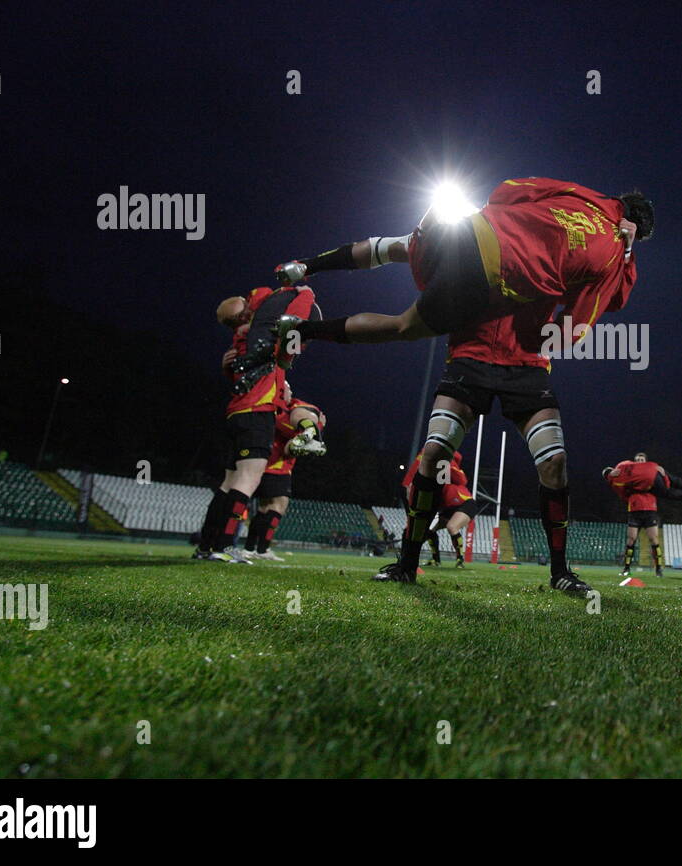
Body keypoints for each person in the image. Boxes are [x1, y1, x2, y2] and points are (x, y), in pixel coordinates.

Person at [274, 177, 652, 592]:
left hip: (525, 362)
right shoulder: (594, 241)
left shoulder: (570, 218)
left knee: (554, 463)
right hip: (470, 353)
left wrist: (623, 254)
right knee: (434, 454)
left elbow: (508, 190)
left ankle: (561, 573)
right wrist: (624, 256)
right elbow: (597, 309)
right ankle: (407, 562)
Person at [194, 284, 319, 562]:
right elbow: (272, 300)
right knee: (247, 480)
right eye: (244, 301)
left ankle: (207, 545)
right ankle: (225, 547)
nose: (250, 301)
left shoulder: (241, 342)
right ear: (243, 315)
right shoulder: (258, 331)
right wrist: (304, 291)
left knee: (229, 483)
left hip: (237, 412)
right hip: (256, 412)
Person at [245, 383, 327, 562]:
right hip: (275, 466)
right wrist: (318, 425)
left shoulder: (289, 409)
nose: (290, 392)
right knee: (276, 506)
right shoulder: (279, 413)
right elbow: (293, 432)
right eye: (286, 390)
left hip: (273, 465)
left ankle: (253, 548)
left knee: (266, 508)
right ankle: (259, 548)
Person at [605, 453, 682, 577]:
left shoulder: (650, 475)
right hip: (634, 510)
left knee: (654, 540)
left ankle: (658, 569)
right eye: (637, 460)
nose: (639, 461)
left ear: (646, 461)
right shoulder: (630, 477)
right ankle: (626, 568)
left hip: (649, 509)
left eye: (642, 459)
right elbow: (621, 490)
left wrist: (661, 475)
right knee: (631, 540)